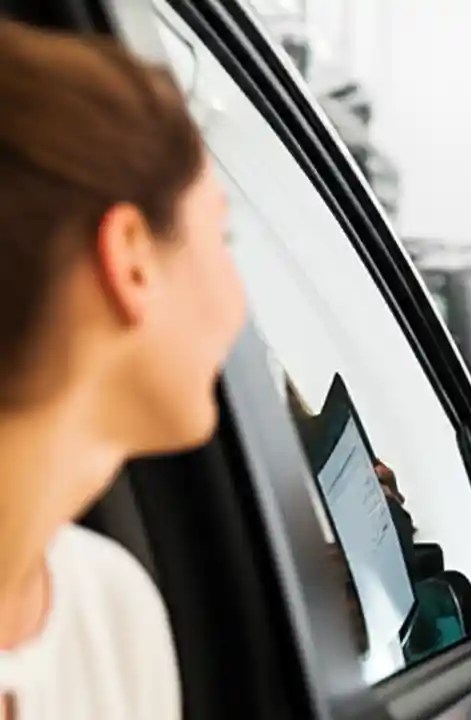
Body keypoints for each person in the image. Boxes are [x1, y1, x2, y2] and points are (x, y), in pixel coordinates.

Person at [0, 19, 245, 720]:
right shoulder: (112, 615)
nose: (237, 304)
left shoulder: (112, 605)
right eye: (221, 238)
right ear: (132, 258)